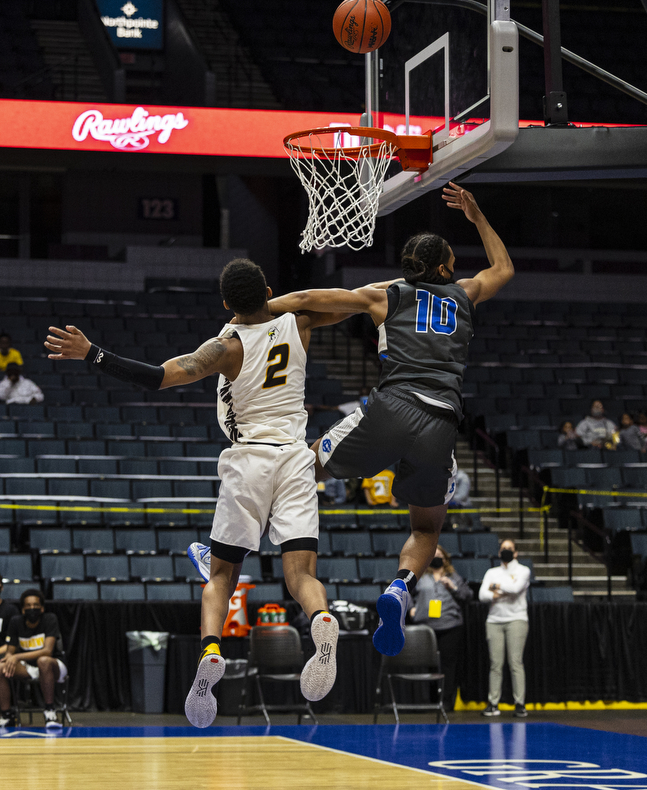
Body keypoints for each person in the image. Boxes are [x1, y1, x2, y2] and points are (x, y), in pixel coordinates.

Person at [45, 257, 349, 729]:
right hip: (295, 458)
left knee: (222, 575)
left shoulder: (224, 347)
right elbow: (353, 302)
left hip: (250, 459)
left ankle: (211, 650)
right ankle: (321, 620)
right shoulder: (301, 320)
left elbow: (157, 376)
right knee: (301, 573)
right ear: (268, 289)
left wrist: (92, 353)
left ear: (225, 302)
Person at [264, 182, 514, 659]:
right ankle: (400, 587)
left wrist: (261, 307)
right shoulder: (464, 293)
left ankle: (232, 542)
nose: (457, 265)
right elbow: (503, 267)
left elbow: (311, 299)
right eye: (451, 260)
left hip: (391, 406)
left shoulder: (386, 296)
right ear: (442, 267)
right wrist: (477, 215)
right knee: (425, 531)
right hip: (441, 422)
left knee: (302, 466)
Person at [0, 589, 68, 729]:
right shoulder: (16, 622)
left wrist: (16, 657)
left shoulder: (50, 619)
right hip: (29, 667)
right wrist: (9, 659)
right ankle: (7, 715)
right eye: (28, 605)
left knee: (43, 661)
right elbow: (10, 651)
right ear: (23, 609)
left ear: (42, 608)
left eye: (35, 605)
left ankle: (50, 712)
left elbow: (47, 651)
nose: (32, 608)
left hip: (53, 666)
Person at [408, 545, 472, 711]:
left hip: (450, 626)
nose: (436, 557)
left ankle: (446, 701)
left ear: (445, 559)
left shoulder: (454, 576)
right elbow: (405, 592)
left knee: (448, 666)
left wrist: (453, 587)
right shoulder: (420, 576)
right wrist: (411, 608)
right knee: (428, 665)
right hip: (426, 628)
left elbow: (467, 596)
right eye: (433, 554)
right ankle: (430, 700)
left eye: (439, 555)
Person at [479, 539, 531, 718]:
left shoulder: (523, 571)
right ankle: (493, 703)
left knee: (515, 662)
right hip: (494, 621)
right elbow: (483, 595)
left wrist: (496, 587)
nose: (506, 551)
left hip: (516, 620)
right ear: (499, 552)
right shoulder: (492, 571)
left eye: (510, 549)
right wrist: (498, 592)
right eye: (503, 549)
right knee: (496, 664)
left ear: (515, 553)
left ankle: (520, 703)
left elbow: (516, 589)